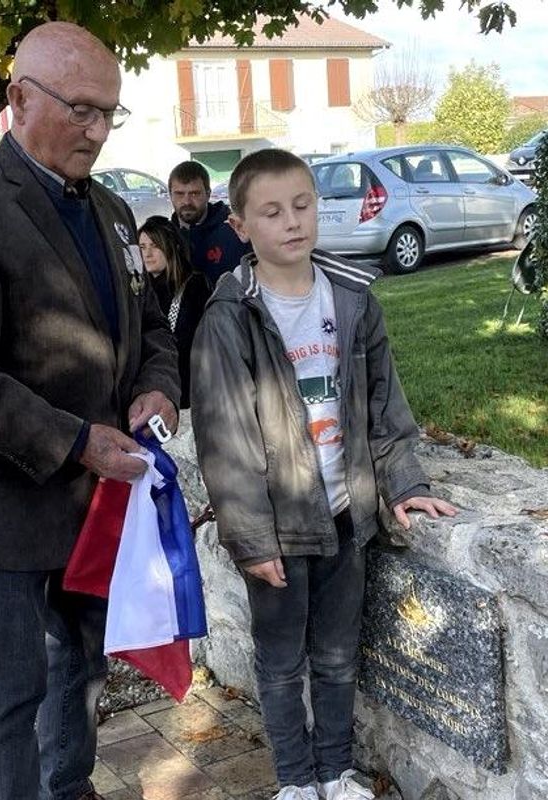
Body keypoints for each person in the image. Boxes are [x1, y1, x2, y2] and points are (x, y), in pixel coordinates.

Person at [0, 22, 180, 800]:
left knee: (84, 667)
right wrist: (74, 442)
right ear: (20, 99)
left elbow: (151, 327)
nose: (97, 130)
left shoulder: (116, 213)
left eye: (109, 114)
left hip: (97, 500)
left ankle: (70, 787)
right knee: (10, 687)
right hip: (4, 497)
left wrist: (158, 384)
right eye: (82, 110)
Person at [190, 149, 457, 800]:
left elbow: (385, 408)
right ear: (242, 224)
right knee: (282, 664)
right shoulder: (230, 316)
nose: (292, 222)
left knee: (338, 658)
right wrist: (251, 539)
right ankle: (295, 781)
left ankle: (336, 771)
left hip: (346, 517)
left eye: (303, 205)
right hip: (278, 528)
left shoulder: (353, 299)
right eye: (272, 212)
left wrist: (408, 486)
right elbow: (221, 438)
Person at [137, 216, 211, 409]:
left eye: (155, 246)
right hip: (148, 390)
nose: (148, 254)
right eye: (142, 247)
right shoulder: (137, 290)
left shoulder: (194, 287)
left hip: (187, 394)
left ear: (172, 247)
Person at [168, 160, 250, 284]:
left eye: (194, 194)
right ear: (170, 195)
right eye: (179, 194)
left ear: (208, 194)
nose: (186, 201)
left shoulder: (236, 231)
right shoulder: (164, 238)